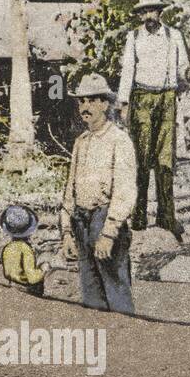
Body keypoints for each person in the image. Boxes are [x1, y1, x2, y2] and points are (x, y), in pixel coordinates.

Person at [61, 73, 138, 314]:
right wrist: (66, 231)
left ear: (105, 103)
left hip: (104, 222)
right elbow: (70, 190)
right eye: (82, 101)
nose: (86, 107)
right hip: (81, 223)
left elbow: (125, 191)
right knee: (91, 297)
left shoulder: (119, 140)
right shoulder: (81, 141)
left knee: (116, 294)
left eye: (92, 100)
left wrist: (109, 233)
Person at [117, 0, 189, 238]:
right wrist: (123, 104)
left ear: (160, 13)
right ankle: (137, 216)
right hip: (142, 99)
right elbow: (127, 72)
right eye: (144, 12)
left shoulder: (175, 36)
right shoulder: (133, 37)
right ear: (139, 15)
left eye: (152, 11)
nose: (148, 16)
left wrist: (189, 78)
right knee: (141, 159)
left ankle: (166, 216)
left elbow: (183, 70)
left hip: (168, 98)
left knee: (165, 158)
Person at [0, 204, 49, 297]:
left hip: (12, 284)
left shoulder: (7, 247)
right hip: (26, 289)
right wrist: (43, 270)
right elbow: (32, 278)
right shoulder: (26, 249)